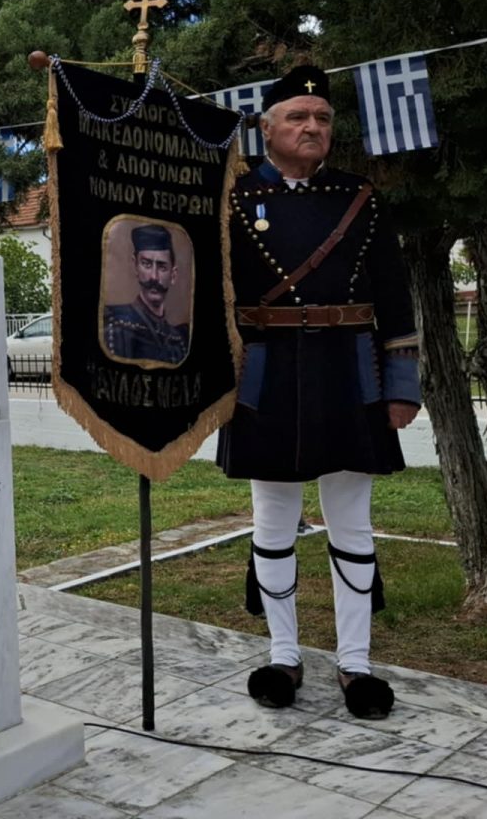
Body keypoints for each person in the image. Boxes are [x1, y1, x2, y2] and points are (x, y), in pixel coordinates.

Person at [215, 65, 419, 721]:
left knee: (352, 522)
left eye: (323, 118)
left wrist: (402, 387)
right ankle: (283, 656)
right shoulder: (232, 198)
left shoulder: (359, 197)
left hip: (349, 369)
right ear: (266, 128)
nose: (312, 127)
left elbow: (394, 294)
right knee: (273, 520)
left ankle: (356, 664)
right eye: (298, 116)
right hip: (266, 373)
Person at [103, 223, 189, 363]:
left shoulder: (180, 340)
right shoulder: (113, 323)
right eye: (146, 264)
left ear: (173, 275)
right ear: (135, 266)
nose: (154, 277)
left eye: (162, 267)